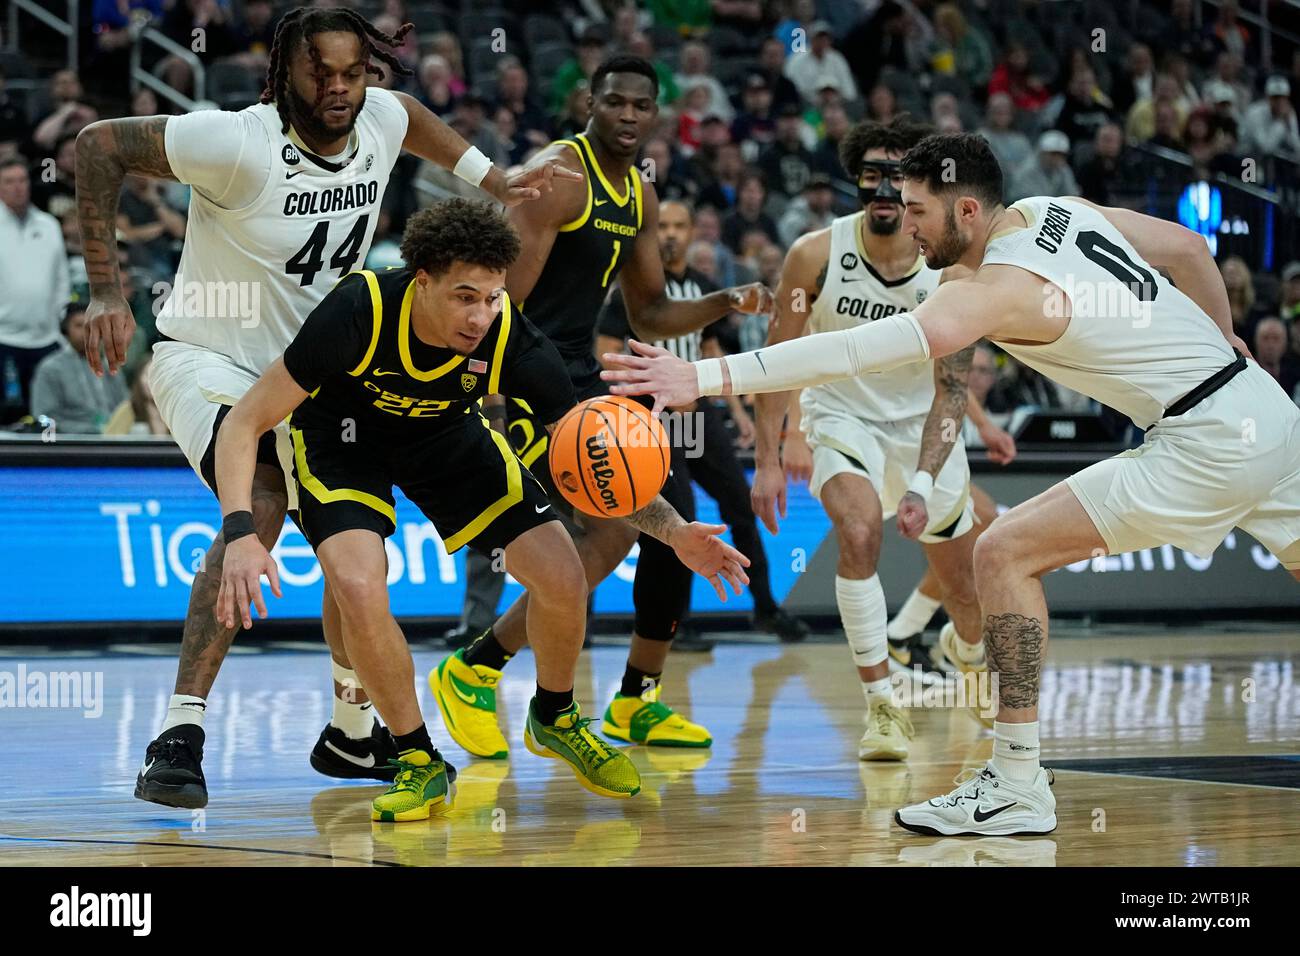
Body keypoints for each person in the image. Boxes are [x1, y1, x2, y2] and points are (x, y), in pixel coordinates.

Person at [603, 131, 1300, 837]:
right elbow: (1189, 246)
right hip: (1266, 408)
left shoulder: (998, 288)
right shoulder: (1056, 208)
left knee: (1000, 553)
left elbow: (848, 348)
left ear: (966, 211)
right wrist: (1225, 338)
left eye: (916, 210)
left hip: (1204, 441)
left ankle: (1017, 782)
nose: (904, 223)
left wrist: (704, 377)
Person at [75, 5, 577, 810]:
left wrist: (494, 177)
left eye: (353, 72)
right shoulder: (234, 142)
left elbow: (409, 116)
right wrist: (105, 284)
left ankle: (351, 733)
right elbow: (98, 144)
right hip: (212, 356)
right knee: (265, 499)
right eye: (322, 73)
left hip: (319, 368)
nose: (340, 89)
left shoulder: (379, 114)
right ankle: (180, 732)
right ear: (285, 74)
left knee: (352, 542)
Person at [212, 200, 748, 818]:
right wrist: (240, 531)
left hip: (443, 435)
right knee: (359, 584)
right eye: (465, 297)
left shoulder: (515, 343)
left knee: (563, 573)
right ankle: (417, 759)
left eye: (492, 297)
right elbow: (246, 421)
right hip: (340, 441)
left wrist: (676, 532)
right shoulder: (360, 310)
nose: (481, 315)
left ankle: (554, 713)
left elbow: (598, 464)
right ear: (423, 282)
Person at [430, 55, 773, 758]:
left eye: (639, 107)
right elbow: (500, 302)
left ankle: (603, 692)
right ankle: (485, 672)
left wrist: (725, 301)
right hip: (522, 375)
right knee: (629, 520)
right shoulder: (559, 177)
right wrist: (491, 402)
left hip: (582, 379)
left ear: (655, 115)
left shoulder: (639, 197)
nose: (625, 115)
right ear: (590, 102)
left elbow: (647, 309)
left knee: (654, 516)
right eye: (613, 102)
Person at [747, 117, 989, 763]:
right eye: (872, 172)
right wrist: (769, 457)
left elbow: (953, 390)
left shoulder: (952, 266)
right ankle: (883, 708)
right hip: (842, 416)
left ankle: (964, 652)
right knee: (858, 534)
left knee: (965, 591)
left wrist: (922, 480)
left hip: (923, 430)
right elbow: (779, 357)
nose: (885, 188)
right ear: (856, 179)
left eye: (898, 175)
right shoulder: (814, 254)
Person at [595, 198, 809, 642]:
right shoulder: (632, 292)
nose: (670, 233)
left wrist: (735, 411)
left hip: (701, 416)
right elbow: (606, 353)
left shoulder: (704, 287)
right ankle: (679, 621)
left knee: (740, 504)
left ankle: (766, 607)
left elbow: (711, 350)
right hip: (650, 419)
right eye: (664, 226)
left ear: (693, 233)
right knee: (681, 519)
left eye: (679, 226)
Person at [0, 156, 70, 424]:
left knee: (44, 413)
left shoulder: (49, 225)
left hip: (45, 337)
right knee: (6, 416)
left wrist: (58, 319)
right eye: (9, 182)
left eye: (21, 180)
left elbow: (61, 277)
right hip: (3, 336)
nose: (17, 187)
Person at [29, 303, 129, 434]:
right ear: (65, 331)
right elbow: (43, 418)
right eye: (79, 326)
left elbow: (125, 406)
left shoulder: (110, 363)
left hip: (114, 437)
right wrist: (91, 431)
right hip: (71, 443)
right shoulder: (51, 368)